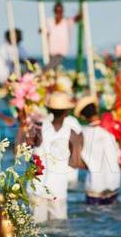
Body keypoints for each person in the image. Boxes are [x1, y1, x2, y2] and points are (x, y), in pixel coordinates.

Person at [29, 92, 83, 222]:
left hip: (37, 187)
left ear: (48, 110)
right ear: (67, 111)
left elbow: (26, 150)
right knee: (60, 230)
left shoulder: (38, 129)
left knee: (36, 230)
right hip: (58, 189)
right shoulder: (72, 134)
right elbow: (75, 163)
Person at [72, 96, 121, 205]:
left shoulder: (81, 135)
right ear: (97, 110)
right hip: (114, 180)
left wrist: (91, 165)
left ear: (83, 117)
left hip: (94, 184)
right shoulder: (112, 129)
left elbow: (74, 162)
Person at [44, 1, 82, 71]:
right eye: (57, 11)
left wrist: (81, 6)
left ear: (63, 11)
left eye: (60, 11)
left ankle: (41, 74)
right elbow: (45, 31)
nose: (58, 13)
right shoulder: (49, 21)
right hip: (50, 51)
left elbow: (78, 18)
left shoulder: (67, 21)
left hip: (61, 52)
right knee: (53, 69)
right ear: (54, 11)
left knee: (49, 67)